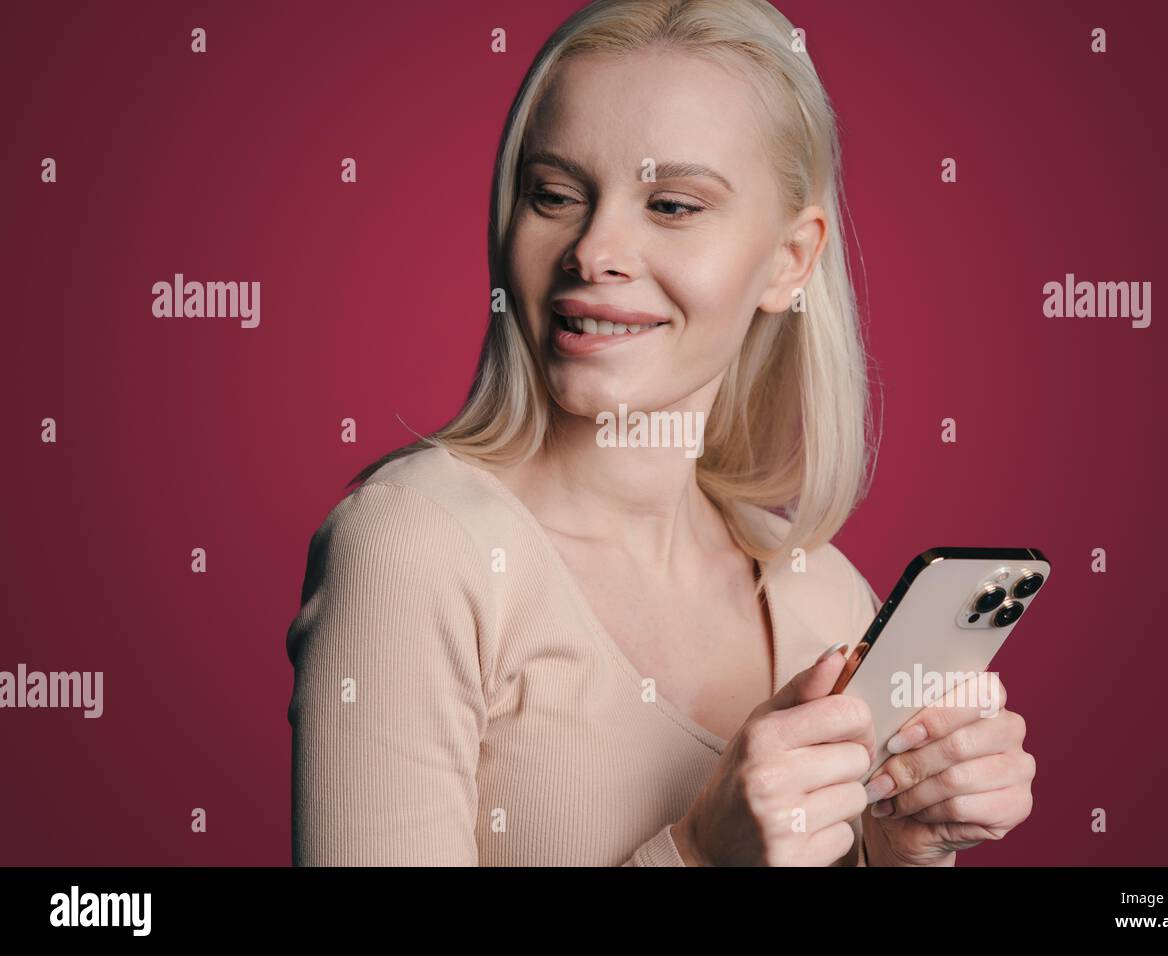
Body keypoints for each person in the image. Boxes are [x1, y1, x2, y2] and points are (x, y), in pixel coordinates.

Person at [286, 0, 1034, 866]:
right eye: (554, 195)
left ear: (792, 259)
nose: (594, 249)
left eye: (672, 205)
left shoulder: (827, 598)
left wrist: (905, 851)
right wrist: (698, 854)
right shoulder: (415, 550)